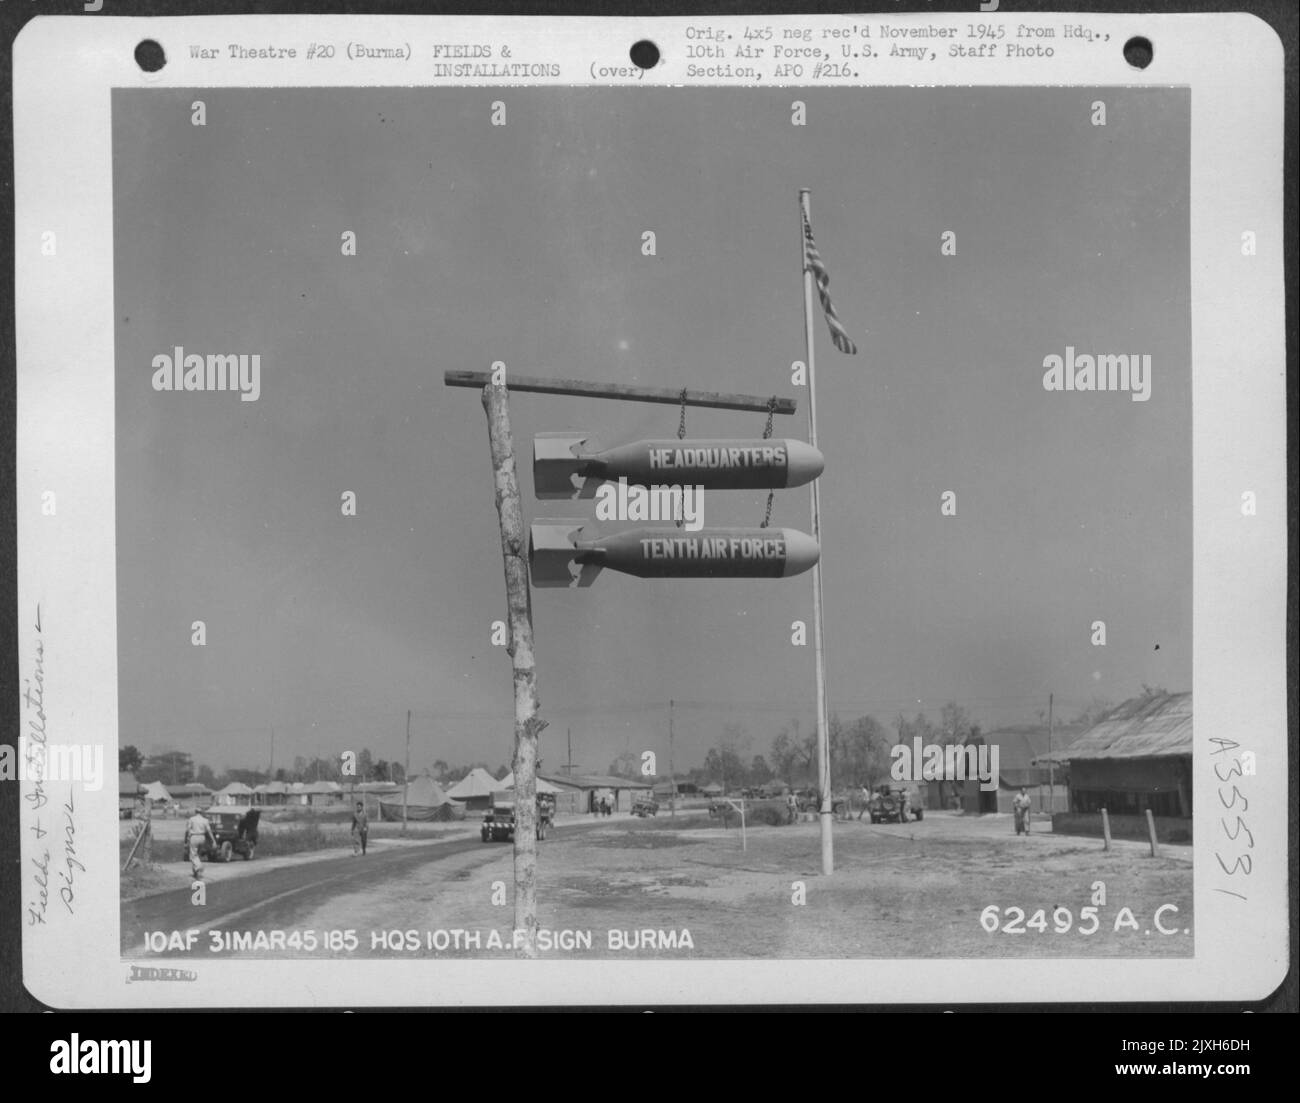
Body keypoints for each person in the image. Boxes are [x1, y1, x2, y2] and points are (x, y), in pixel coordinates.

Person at [184, 806, 215, 879]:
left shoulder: (192, 819)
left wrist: (186, 839)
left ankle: (198, 867)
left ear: (195, 812)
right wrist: (213, 840)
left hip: (194, 836)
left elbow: (187, 829)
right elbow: (209, 831)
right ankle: (195, 872)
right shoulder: (205, 820)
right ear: (201, 812)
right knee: (197, 855)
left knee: (193, 855)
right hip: (202, 837)